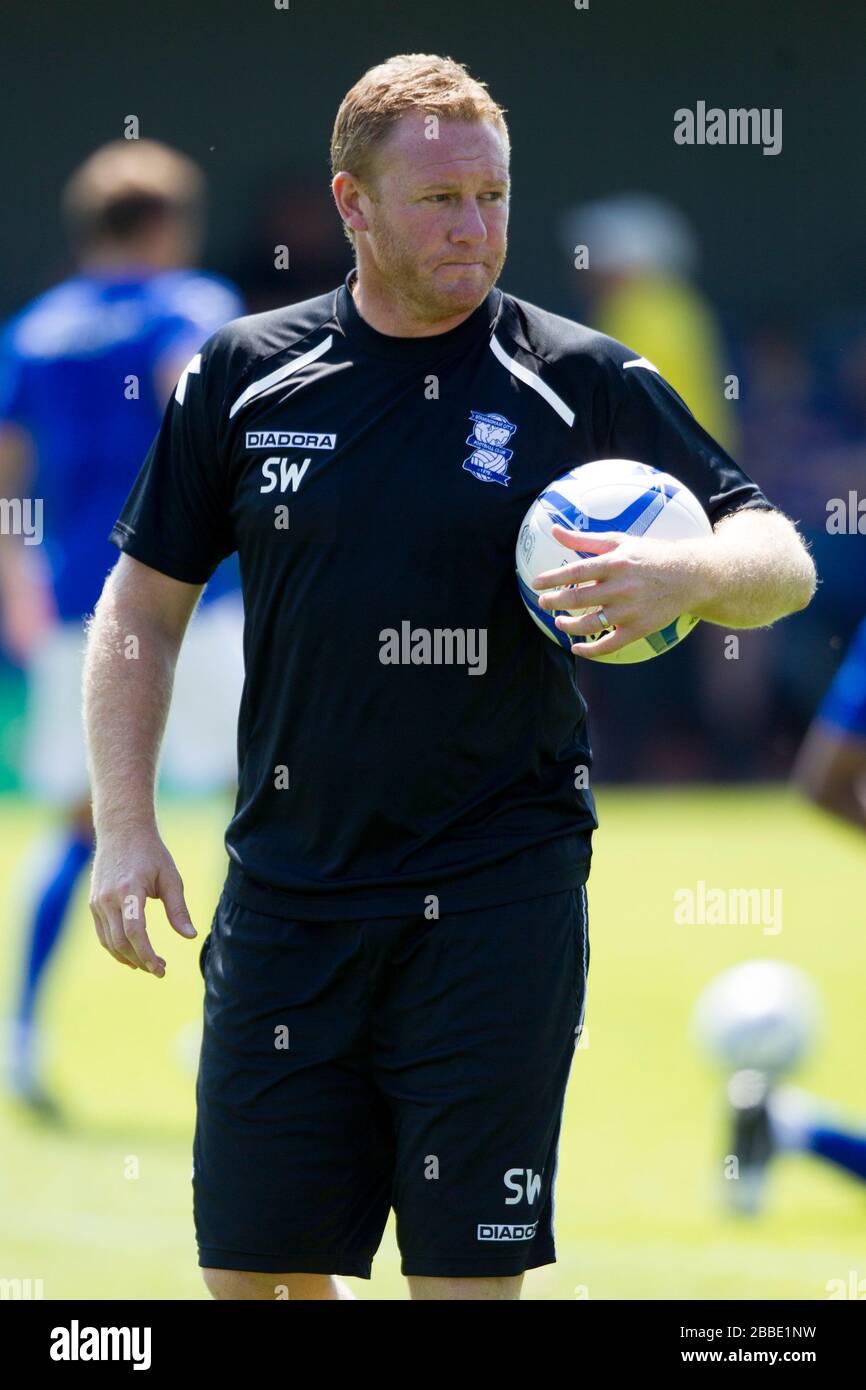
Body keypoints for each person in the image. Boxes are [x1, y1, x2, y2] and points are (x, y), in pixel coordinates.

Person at [82, 54, 816, 1301]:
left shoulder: (578, 379)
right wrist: (125, 821)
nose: (473, 226)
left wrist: (682, 572)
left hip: (495, 896)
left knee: (462, 1287)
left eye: (491, 194)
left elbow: (779, 556)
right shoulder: (244, 374)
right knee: (248, 1277)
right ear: (351, 204)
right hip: (287, 892)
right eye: (438, 200)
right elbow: (142, 601)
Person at [0, 139, 244, 1113]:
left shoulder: (33, 331)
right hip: (194, 600)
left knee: (73, 824)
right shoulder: (191, 307)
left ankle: (19, 1030)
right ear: (169, 227)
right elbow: (219, 412)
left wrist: (18, 590)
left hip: (74, 613)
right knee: (262, 808)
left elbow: (7, 483)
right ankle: (241, 1024)